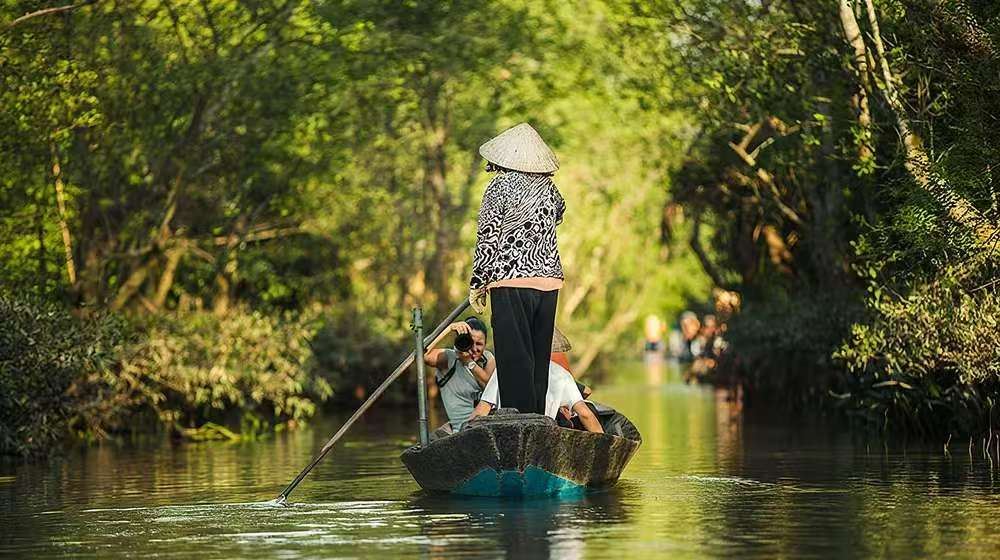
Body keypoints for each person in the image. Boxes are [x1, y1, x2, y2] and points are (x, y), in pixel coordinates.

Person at [469, 123, 565, 416]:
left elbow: (488, 234)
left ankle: (517, 420)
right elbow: (558, 215)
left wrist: (478, 281)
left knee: (514, 357)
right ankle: (536, 418)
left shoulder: (498, 187)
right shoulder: (551, 190)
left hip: (509, 281)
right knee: (537, 357)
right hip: (548, 282)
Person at [422, 317, 496, 432]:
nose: (475, 348)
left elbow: (489, 388)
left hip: (488, 425)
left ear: (485, 345)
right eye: (471, 343)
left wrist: (469, 362)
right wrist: (448, 329)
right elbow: (422, 354)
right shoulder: (449, 358)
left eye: (480, 344)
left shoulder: (488, 358)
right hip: (460, 431)